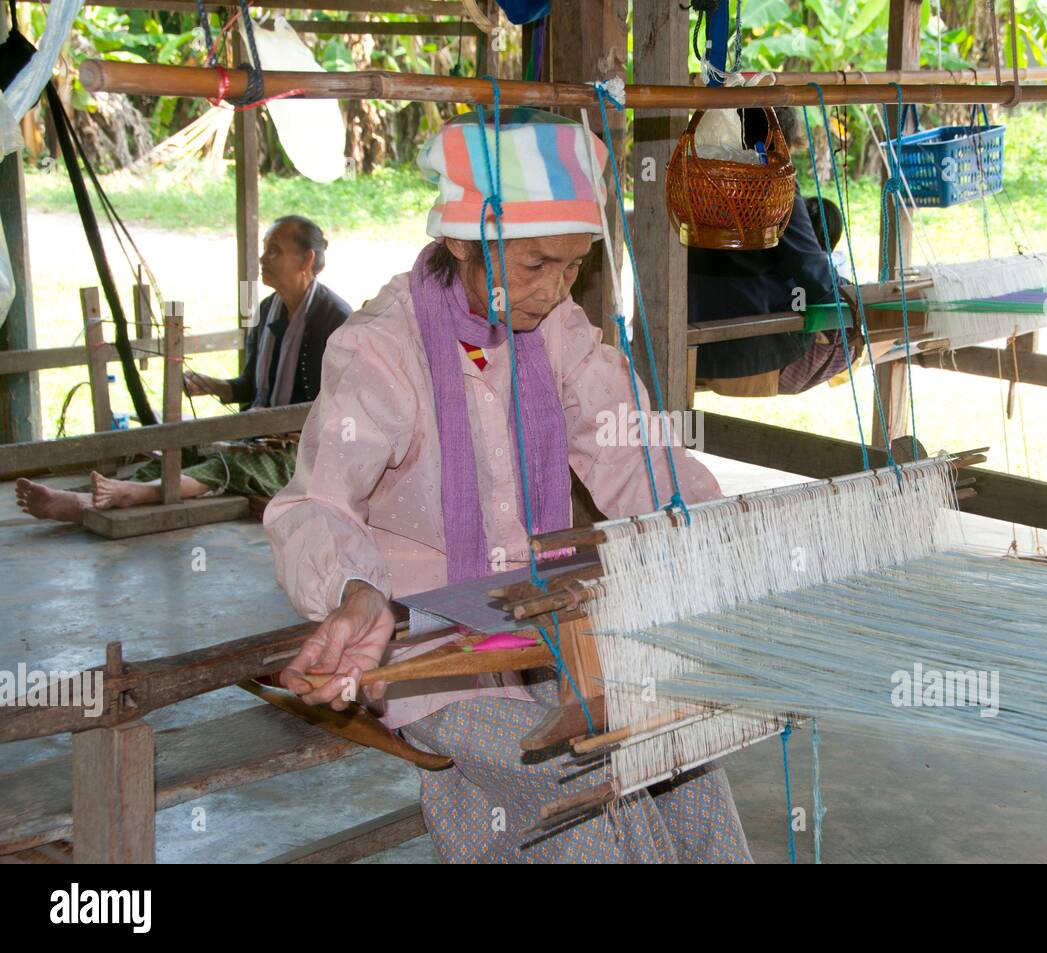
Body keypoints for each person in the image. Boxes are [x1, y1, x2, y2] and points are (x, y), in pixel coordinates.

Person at [266, 109, 751, 863]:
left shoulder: (553, 327)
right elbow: (315, 504)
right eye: (535, 264)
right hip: (425, 649)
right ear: (462, 240)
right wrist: (356, 590)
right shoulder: (381, 351)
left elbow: (628, 450)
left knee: (683, 764)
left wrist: (718, 528)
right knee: (579, 794)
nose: (557, 288)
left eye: (574, 265)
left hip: (543, 628)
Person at [15, 216, 350, 524]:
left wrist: (282, 432)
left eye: (274, 250)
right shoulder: (266, 310)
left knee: (232, 464)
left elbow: (339, 406)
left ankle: (128, 495)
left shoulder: (335, 319)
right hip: (259, 433)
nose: (263, 258)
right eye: (264, 249)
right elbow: (250, 388)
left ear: (306, 260)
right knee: (188, 448)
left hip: (305, 452)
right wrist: (210, 385)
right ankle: (101, 494)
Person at [690, 106, 863, 397]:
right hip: (748, 355)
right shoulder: (771, 183)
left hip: (690, 343)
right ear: (778, 142)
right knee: (848, 336)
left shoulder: (693, 175)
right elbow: (814, 275)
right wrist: (856, 299)